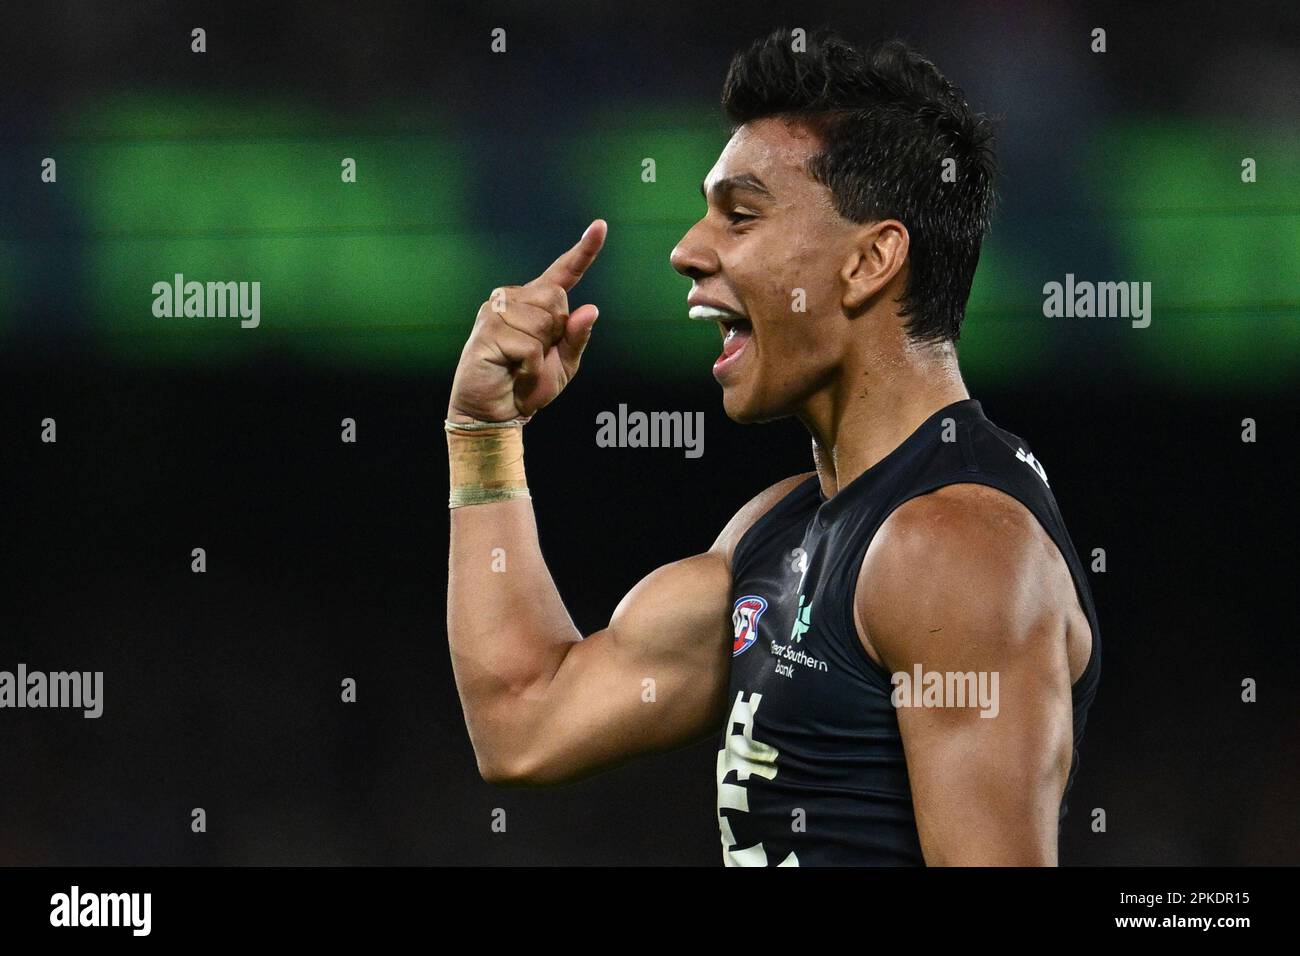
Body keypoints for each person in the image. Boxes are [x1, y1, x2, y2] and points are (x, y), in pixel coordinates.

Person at [444, 27, 1099, 866]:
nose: (688, 250)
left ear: (870, 260)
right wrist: (485, 435)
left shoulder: (956, 552)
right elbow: (524, 722)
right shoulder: (781, 533)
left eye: (740, 215)